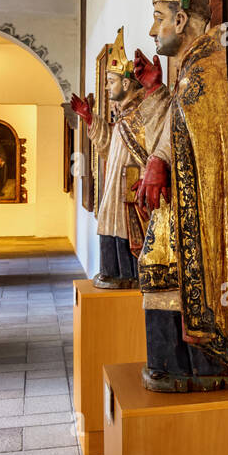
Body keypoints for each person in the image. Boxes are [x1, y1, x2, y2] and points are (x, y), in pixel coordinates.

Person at [133, 0, 228, 393]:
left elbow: (198, 136)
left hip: (195, 211)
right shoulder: (189, 71)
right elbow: (175, 129)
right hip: (178, 205)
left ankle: (199, 363)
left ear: (181, 21)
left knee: (163, 261)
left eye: (159, 16)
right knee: (157, 263)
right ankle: (171, 365)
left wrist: (161, 160)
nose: (152, 27)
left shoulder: (206, 68)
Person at [66, 28, 166, 288]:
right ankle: (112, 272)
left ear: (125, 83)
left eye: (110, 82)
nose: (108, 87)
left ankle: (127, 274)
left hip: (128, 190)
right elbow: (110, 149)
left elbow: (155, 148)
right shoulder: (124, 119)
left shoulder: (141, 114)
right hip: (114, 188)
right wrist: (90, 119)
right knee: (109, 223)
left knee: (124, 231)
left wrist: (144, 172)